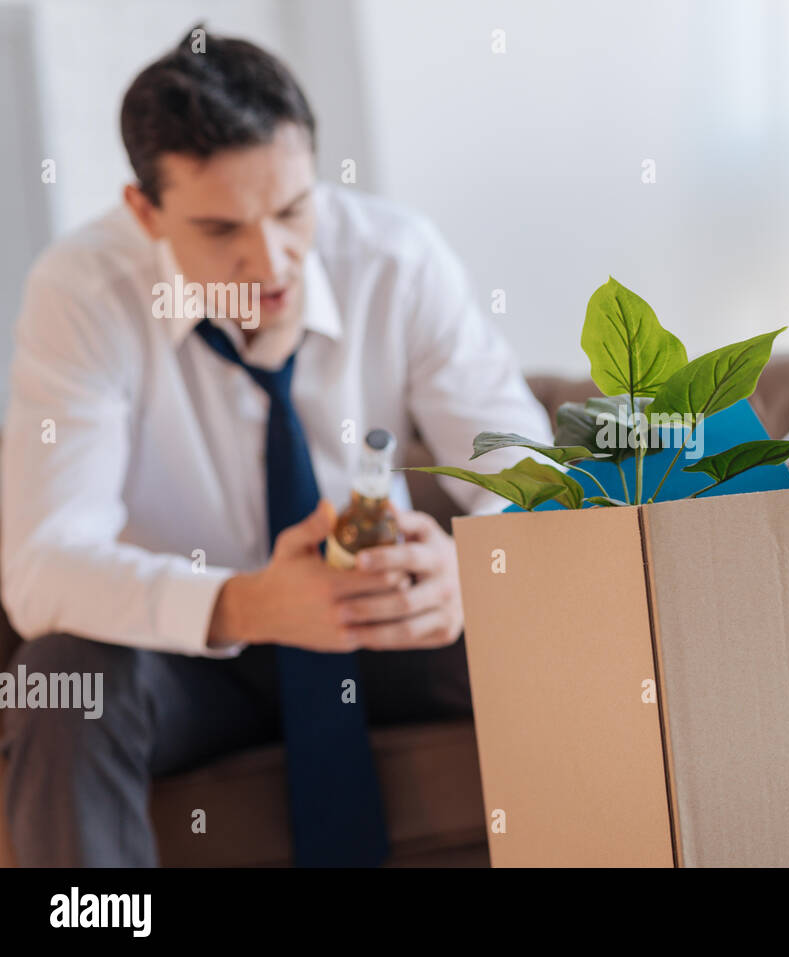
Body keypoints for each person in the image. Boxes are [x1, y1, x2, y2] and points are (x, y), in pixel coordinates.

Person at [0, 26, 552, 866]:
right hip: (192, 660)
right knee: (58, 681)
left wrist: (477, 579)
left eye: (293, 210)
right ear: (144, 211)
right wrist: (246, 603)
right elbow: (42, 565)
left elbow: (528, 481)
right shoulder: (80, 294)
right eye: (221, 228)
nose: (271, 260)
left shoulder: (397, 259)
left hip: (385, 628)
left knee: (573, 629)